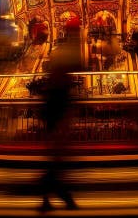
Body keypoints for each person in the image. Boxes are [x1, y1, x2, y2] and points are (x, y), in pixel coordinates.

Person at [37, 21, 80, 212]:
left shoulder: (59, 52)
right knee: (58, 156)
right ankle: (61, 195)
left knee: (56, 157)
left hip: (53, 107)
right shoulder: (69, 53)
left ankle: (51, 196)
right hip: (57, 107)